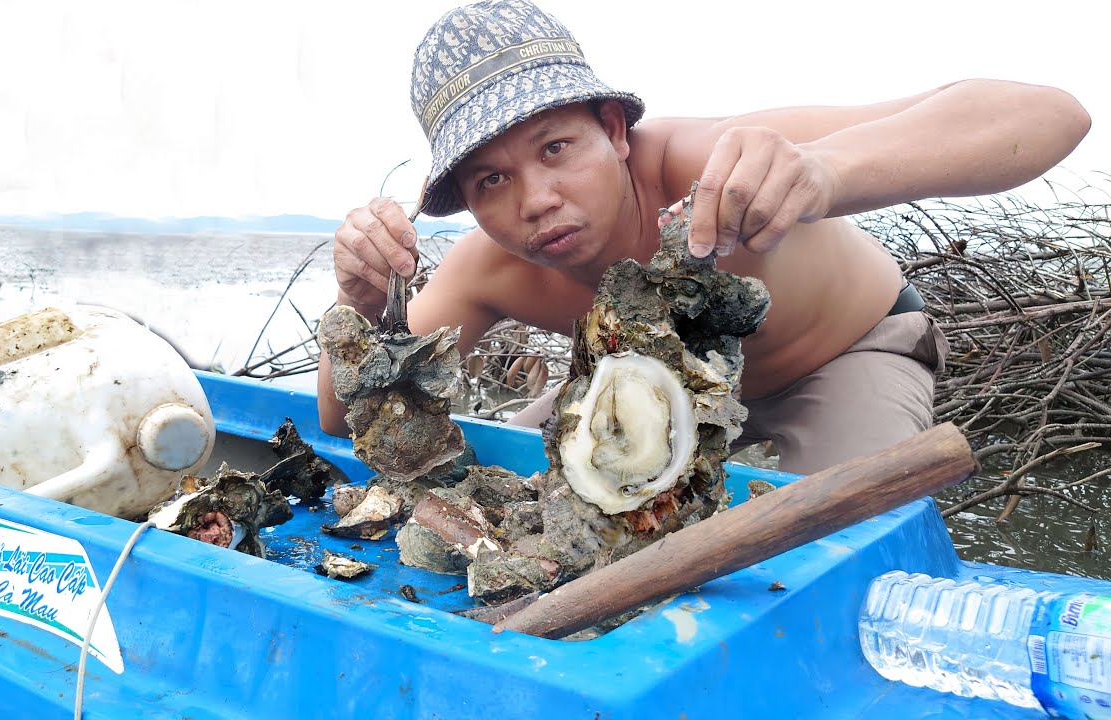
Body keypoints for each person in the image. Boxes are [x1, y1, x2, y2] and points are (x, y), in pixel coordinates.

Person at [318, 0, 1090, 475]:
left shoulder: (713, 164)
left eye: (555, 148)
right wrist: (356, 307)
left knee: (804, 550)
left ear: (614, 129)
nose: (536, 200)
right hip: (642, 379)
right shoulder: (490, 265)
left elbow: (1050, 116)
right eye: (490, 180)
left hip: (839, 359)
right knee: (505, 494)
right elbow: (343, 415)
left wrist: (824, 172)